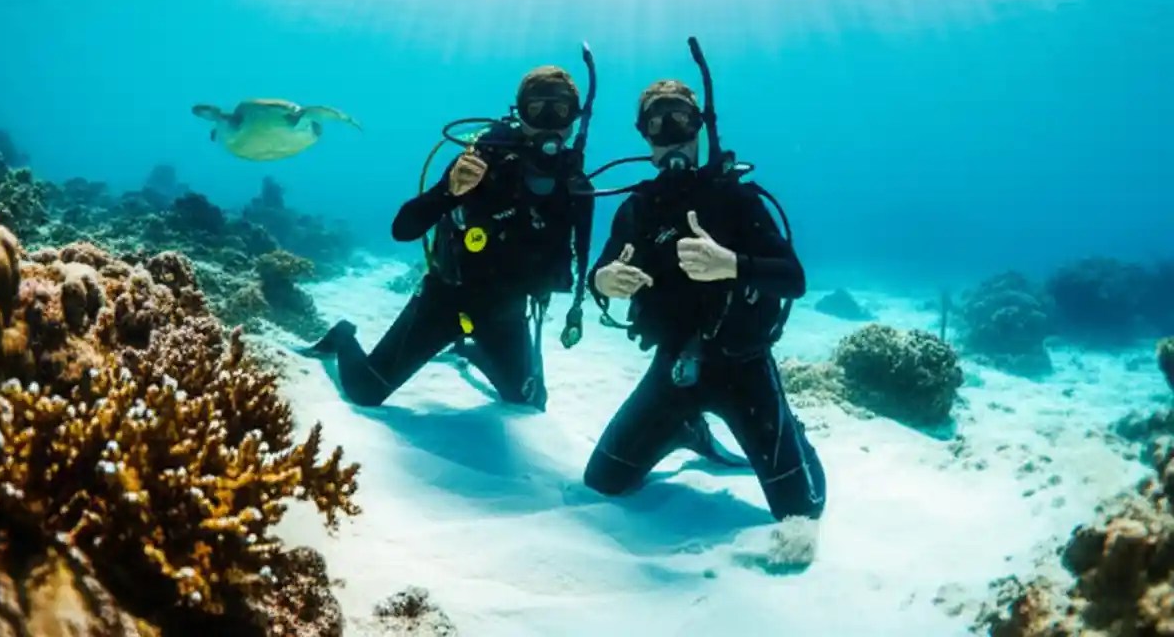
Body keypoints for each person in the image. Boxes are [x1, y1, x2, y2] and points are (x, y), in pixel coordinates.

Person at [581, 41, 826, 521]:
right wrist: (604, 281)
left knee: (803, 510)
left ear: (700, 129)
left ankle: (789, 430)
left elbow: (793, 279)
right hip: (673, 367)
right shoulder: (638, 209)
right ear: (645, 141)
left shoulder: (738, 200)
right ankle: (685, 431)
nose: (670, 135)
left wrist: (732, 264)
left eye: (681, 122)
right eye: (656, 126)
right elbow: (601, 272)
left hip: (745, 368)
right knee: (603, 481)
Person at [297, 61, 598, 410]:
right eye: (537, 108)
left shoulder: (576, 188)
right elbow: (403, 229)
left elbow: (580, 264)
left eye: (559, 110)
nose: (548, 121)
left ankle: (469, 347)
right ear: (520, 113)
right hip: (444, 300)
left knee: (529, 401)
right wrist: (449, 192)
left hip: (506, 312)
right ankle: (343, 336)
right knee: (366, 392)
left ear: (575, 118)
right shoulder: (480, 162)